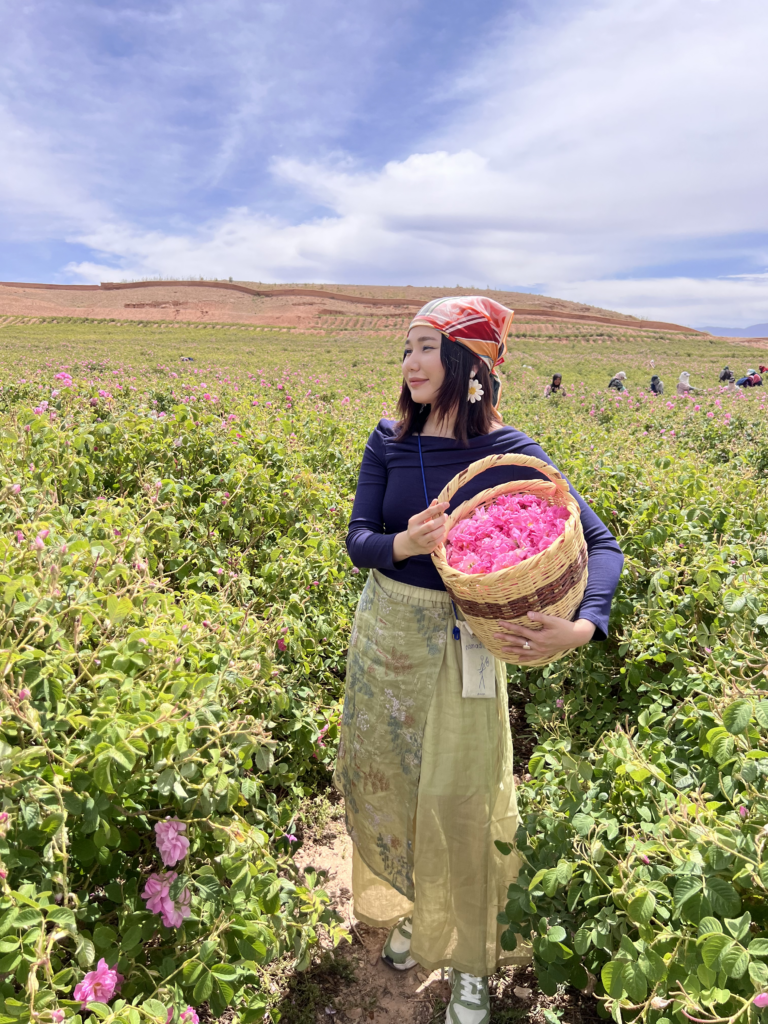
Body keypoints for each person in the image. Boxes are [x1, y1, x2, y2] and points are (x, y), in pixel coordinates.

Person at [337, 296, 624, 1024]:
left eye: (426, 347)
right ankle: (416, 909)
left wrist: (583, 627)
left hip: (463, 648)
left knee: (463, 799)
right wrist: (406, 543)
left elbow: (601, 543)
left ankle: (469, 956)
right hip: (386, 641)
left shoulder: (507, 450)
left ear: (468, 363)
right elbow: (359, 539)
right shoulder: (389, 439)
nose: (410, 362)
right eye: (406, 348)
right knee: (391, 784)